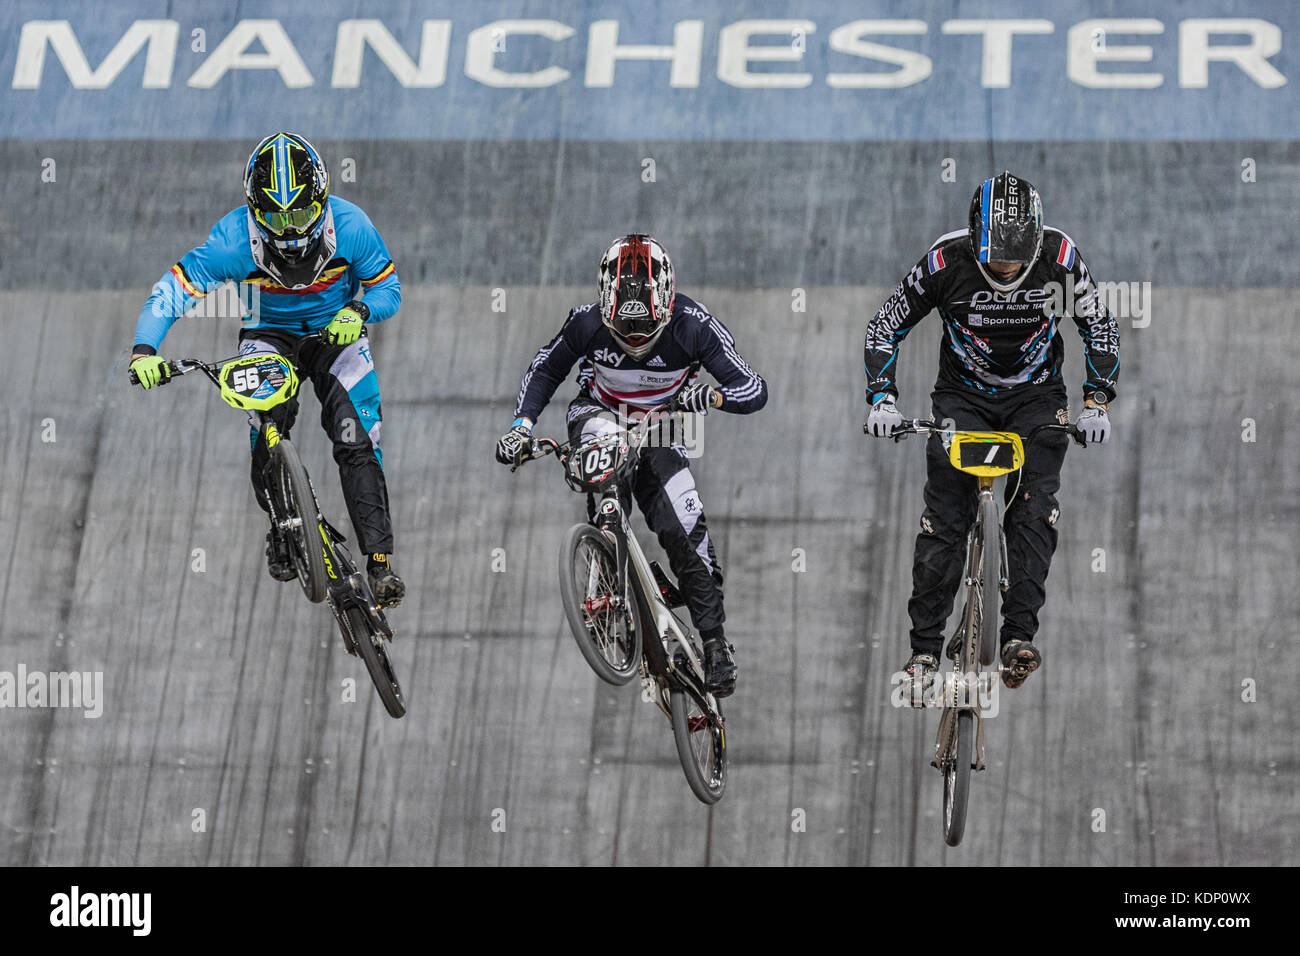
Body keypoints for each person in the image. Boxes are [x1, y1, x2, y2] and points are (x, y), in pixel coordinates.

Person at [863, 172, 1119, 692]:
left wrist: (1095, 403)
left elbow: (1101, 326)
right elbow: (885, 325)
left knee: (1034, 510)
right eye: (995, 259)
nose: (1006, 269)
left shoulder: (1061, 258)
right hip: (963, 397)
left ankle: (1017, 637)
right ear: (974, 241)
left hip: (1038, 397)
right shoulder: (944, 261)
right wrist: (882, 399)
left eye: (1017, 261)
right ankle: (923, 651)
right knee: (944, 519)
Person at [129, 132, 405, 606]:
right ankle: (280, 521)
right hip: (268, 336)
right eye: (276, 219)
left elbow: (389, 290)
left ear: (320, 202)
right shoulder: (231, 241)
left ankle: (379, 562)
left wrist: (358, 312)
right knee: (265, 427)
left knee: (355, 435)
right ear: (254, 212)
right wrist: (143, 349)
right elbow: (172, 292)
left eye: (299, 215)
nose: (291, 232)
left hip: (333, 333)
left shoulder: (353, 226)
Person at [496, 234, 767, 696]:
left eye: (647, 333)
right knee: (604, 455)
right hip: (599, 414)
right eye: (624, 333)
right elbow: (546, 367)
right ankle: (608, 569)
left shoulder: (695, 325)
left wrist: (712, 395)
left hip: (660, 427)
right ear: (606, 311)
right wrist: (522, 425)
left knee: (685, 528)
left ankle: (715, 642)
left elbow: (753, 389)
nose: (636, 344)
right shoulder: (585, 322)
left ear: (666, 306)